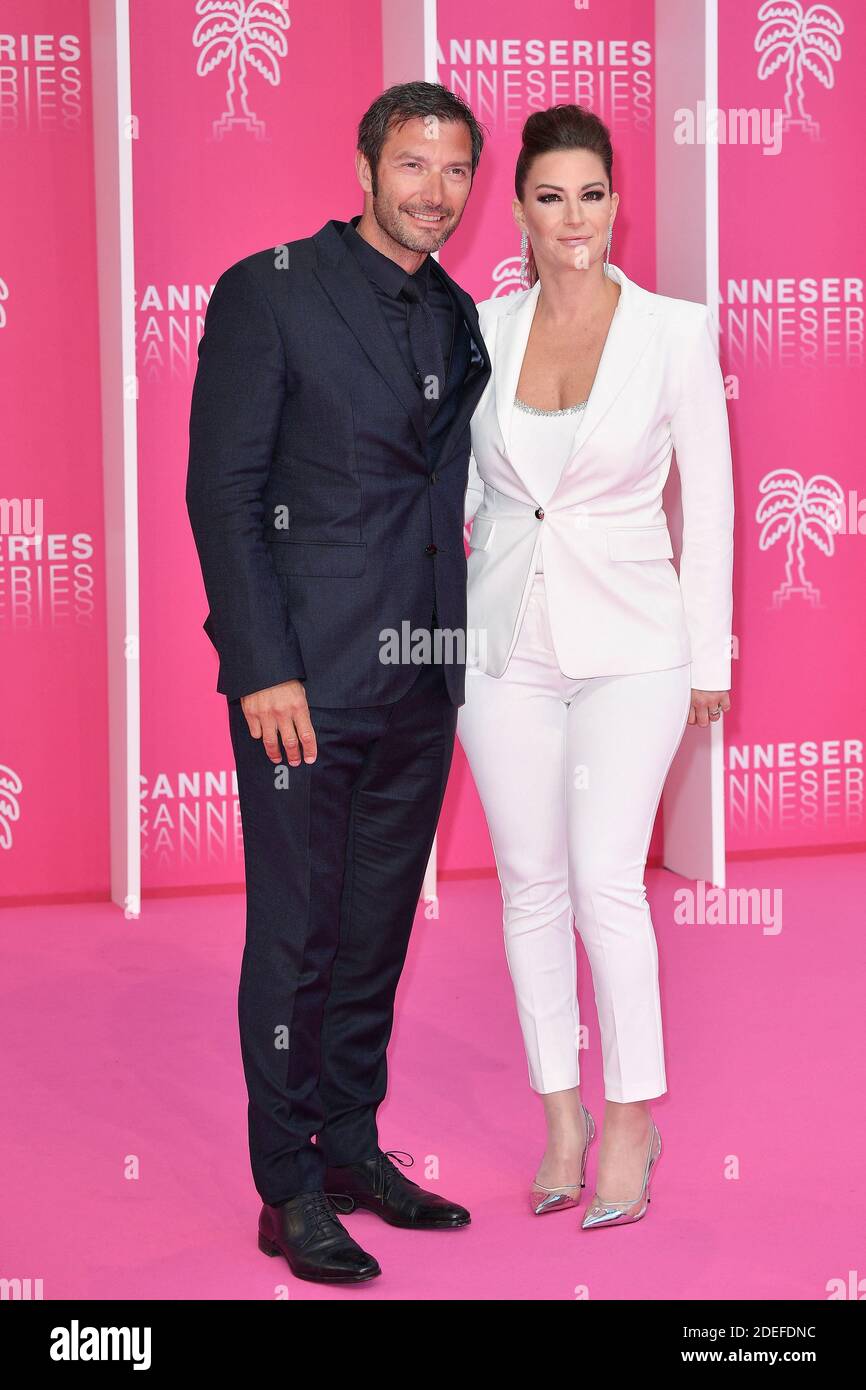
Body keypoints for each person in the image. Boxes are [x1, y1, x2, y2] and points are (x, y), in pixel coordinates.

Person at [186, 82, 491, 1284]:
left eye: (455, 170)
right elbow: (224, 492)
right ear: (363, 166)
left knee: (371, 936)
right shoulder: (268, 291)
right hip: (301, 685)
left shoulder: (459, 316)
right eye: (411, 164)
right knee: (299, 935)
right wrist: (262, 668)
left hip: (419, 681)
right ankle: (288, 1183)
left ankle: (354, 1144)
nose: (433, 191)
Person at [457, 104, 734, 1230]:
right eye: (547, 195)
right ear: (518, 208)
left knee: (605, 880)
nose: (572, 217)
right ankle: (560, 1113)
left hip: (633, 642)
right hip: (500, 647)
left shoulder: (672, 330)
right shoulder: (484, 329)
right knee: (529, 883)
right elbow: (476, 489)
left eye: (590, 193)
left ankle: (630, 1117)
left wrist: (707, 650)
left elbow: (706, 500)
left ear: (616, 202)